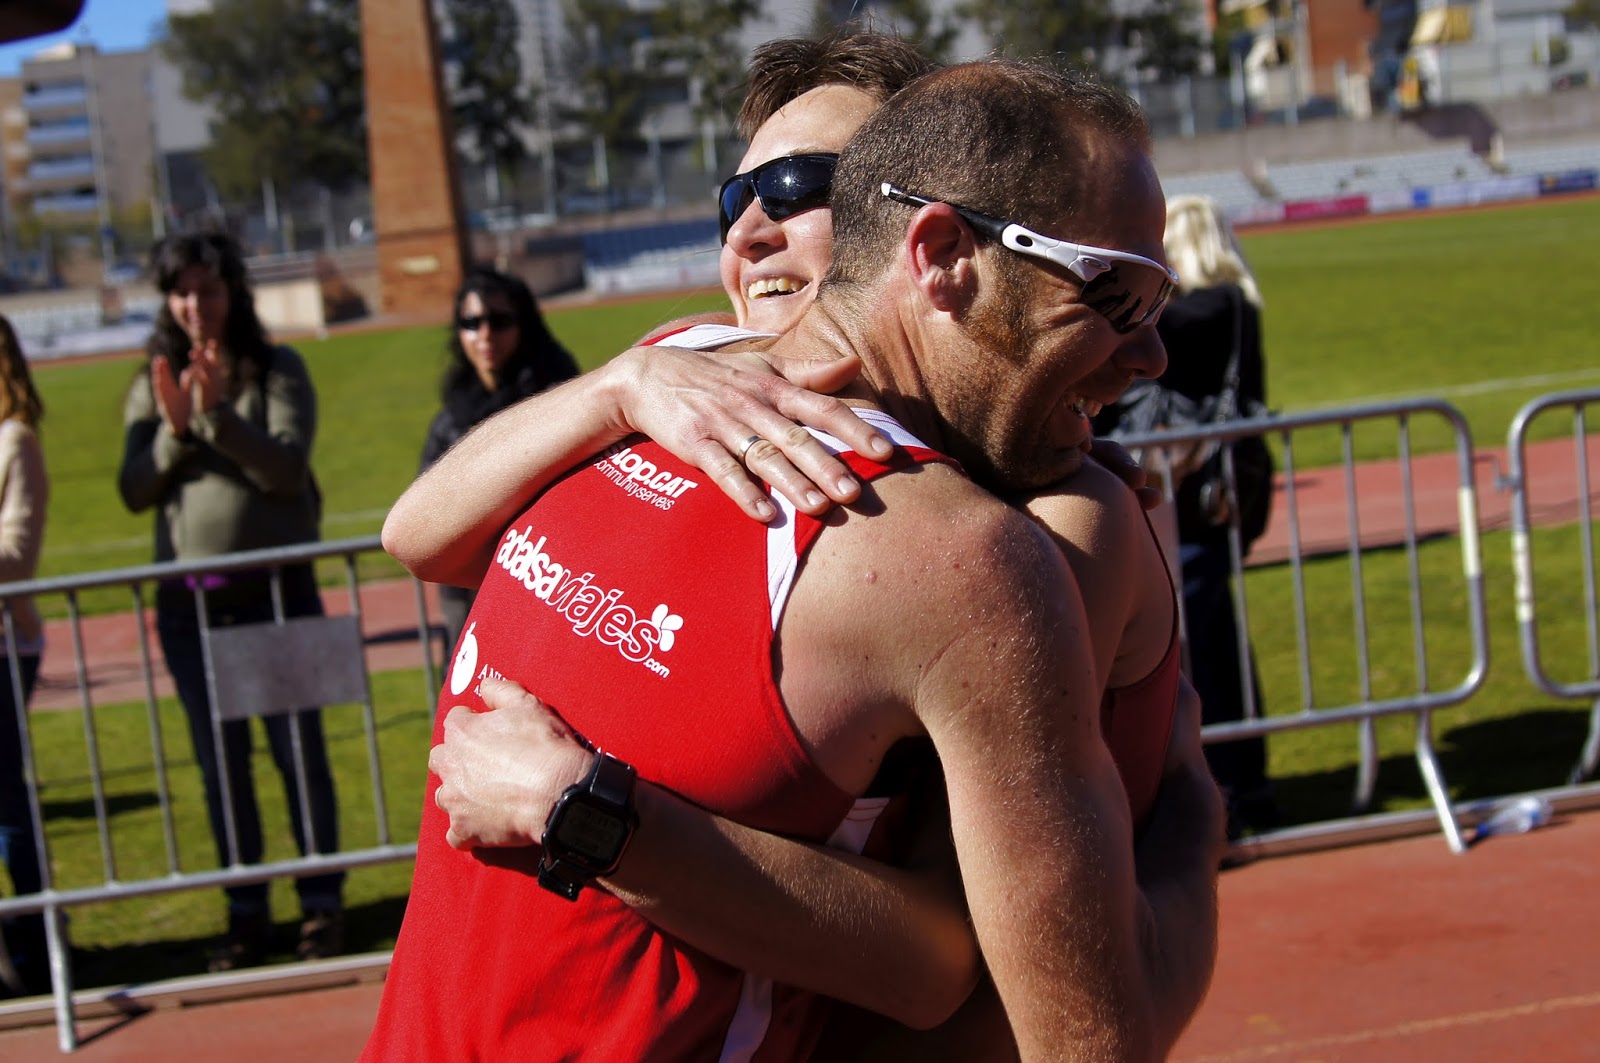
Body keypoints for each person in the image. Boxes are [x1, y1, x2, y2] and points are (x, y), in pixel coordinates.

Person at [366, 57, 1223, 1062]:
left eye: (802, 188)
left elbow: (971, 983)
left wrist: (585, 813)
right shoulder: (668, 371)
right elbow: (415, 532)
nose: (1153, 354)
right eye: (1114, 294)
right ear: (939, 249)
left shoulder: (985, 548)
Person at [117, 232, 344, 972]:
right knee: (223, 766)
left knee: (296, 755)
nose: (194, 305)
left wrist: (217, 417)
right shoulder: (151, 380)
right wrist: (176, 430)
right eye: (181, 291)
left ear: (233, 292)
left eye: (208, 289)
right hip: (191, 607)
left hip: (277, 592)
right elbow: (133, 488)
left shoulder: (279, 367)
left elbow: (284, 469)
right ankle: (245, 911)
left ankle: (321, 906)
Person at [1099, 193, 1281, 841]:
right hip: (1200, 494)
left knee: (1196, 641)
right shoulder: (1232, 306)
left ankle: (1228, 784)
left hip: (1195, 499)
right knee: (1209, 637)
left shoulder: (1214, 307)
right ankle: (1233, 779)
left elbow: (1144, 327)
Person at [420, 267, 579, 663]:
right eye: (471, 322)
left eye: (500, 321)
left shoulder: (560, 393)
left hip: (540, 583)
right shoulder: (453, 408)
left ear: (524, 323)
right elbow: (427, 506)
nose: (485, 335)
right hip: (464, 587)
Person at [0, 314, 49, 996]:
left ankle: (36, 948)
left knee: (8, 805)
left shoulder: (16, 441)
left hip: (6, 643)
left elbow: (17, 553)